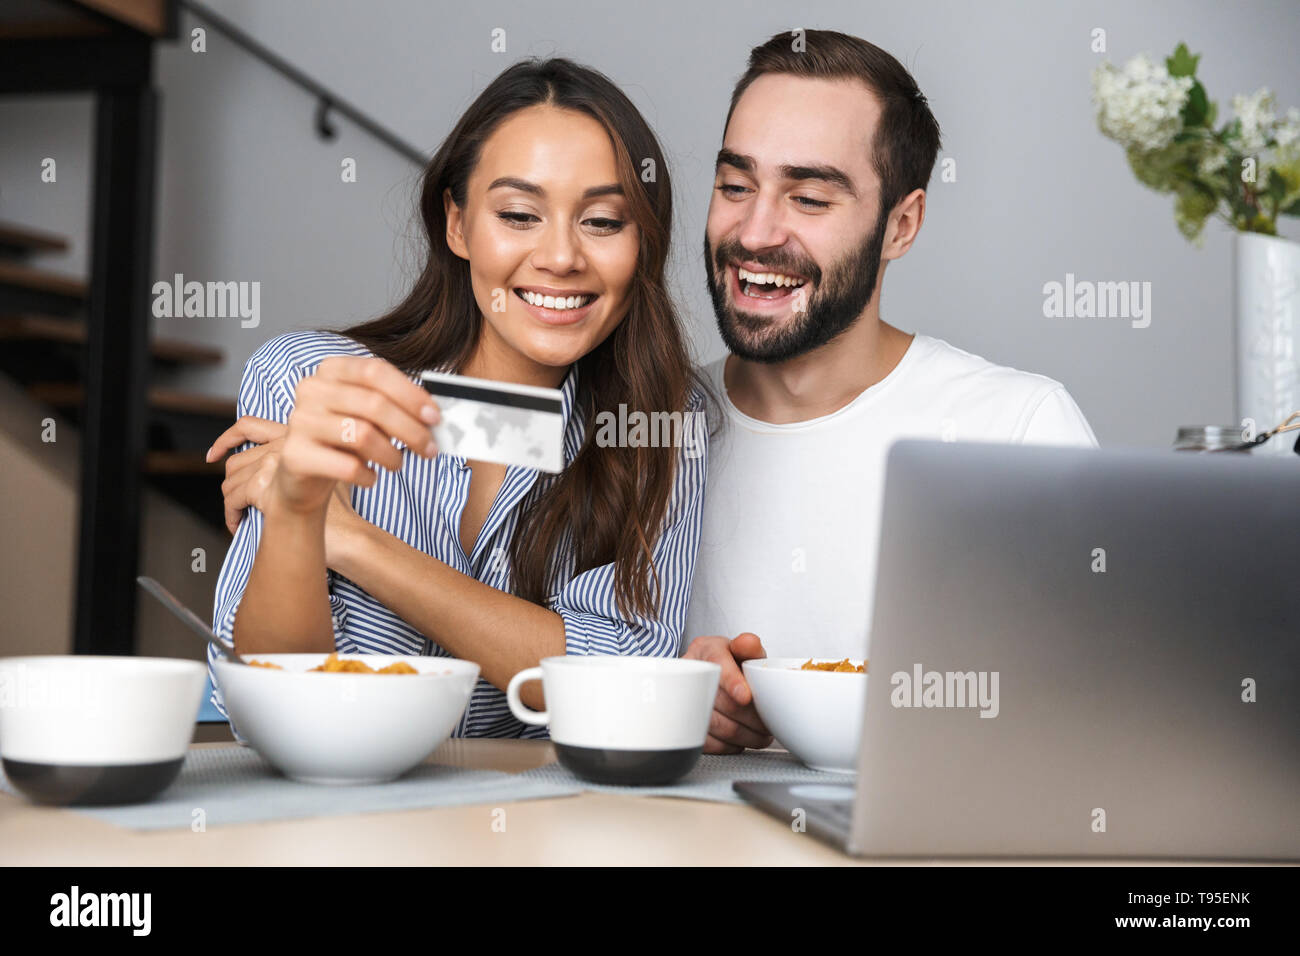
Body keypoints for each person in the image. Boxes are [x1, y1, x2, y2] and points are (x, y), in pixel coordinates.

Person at [204, 58, 708, 739]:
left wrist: (353, 543)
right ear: (458, 224)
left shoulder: (656, 429)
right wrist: (296, 518)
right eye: (520, 214)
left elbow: (625, 688)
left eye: (602, 221)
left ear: (642, 243)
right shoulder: (312, 382)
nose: (561, 257)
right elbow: (264, 706)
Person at [681, 30, 1098, 753]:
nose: (754, 231)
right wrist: (675, 693)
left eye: (809, 197)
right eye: (735, 185)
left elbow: (1103, 714)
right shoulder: (642, 430)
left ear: (901, 225)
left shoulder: (1018, 429)